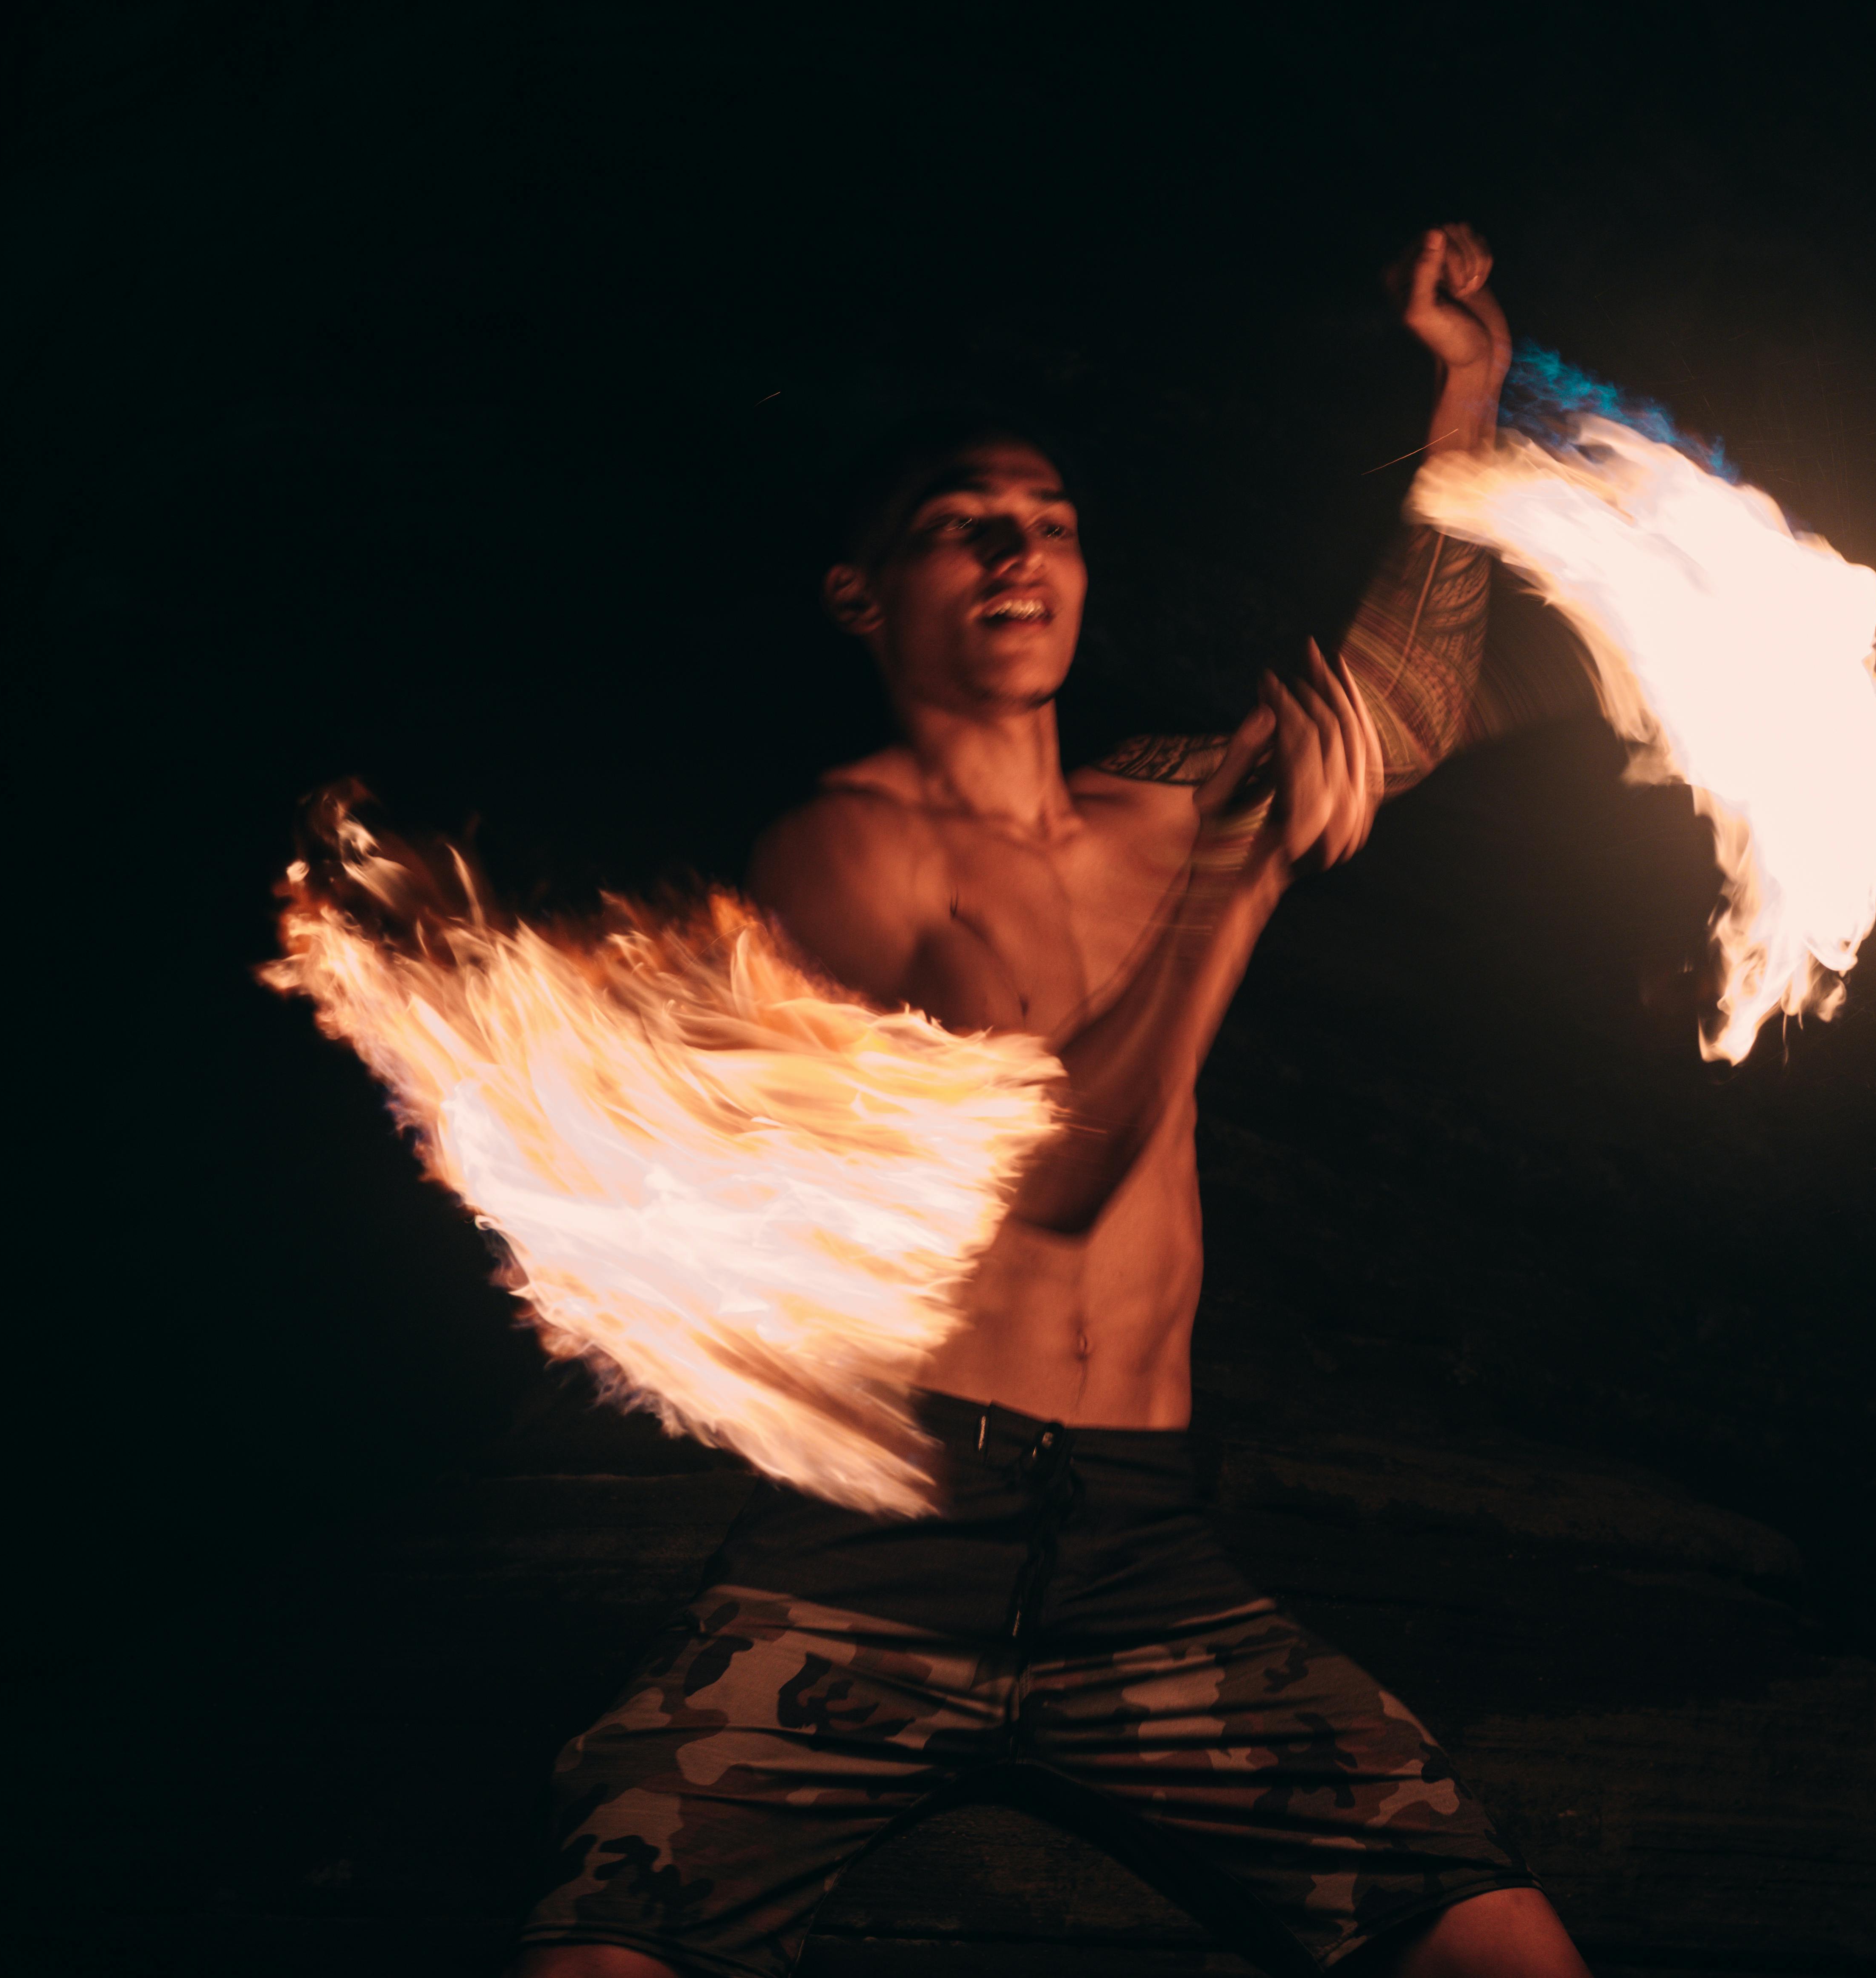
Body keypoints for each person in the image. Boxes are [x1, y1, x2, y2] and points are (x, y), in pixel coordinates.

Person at [510, 228, 1591, 1978]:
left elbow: (1388, 709)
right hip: (872, 1563)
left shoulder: (1162, 800)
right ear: (863, 595)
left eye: (1056, 521)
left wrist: (1462, 389)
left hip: (1141, 1563)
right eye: (966, 521)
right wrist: (1230, 895)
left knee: (1502, 1953)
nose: (1026, 548)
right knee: (601, 1957)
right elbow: (1050, 1173)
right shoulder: (837, 855)